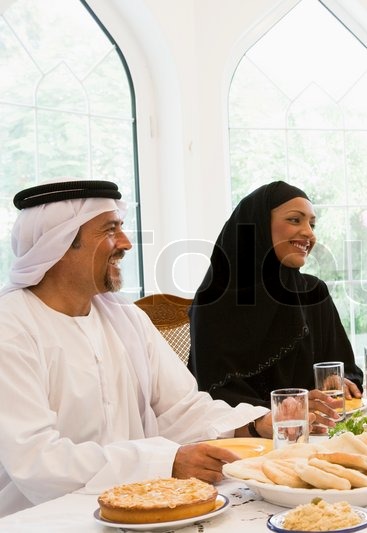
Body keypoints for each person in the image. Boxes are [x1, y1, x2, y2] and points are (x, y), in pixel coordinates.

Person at [0, 179, 279, 518]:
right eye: (110, 230)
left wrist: (257, 423)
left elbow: (180, 409)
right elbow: (37, 460)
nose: (126, 243)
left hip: (142, 507)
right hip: (41, 517)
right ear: (58, 244)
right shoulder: (10, 326)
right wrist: (164, 463)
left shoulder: (124, 316)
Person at [189, 181, 362, 431]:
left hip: (319, 432)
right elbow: (213, 393)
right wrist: (283, 411)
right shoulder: (214, 301)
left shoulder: (315, 292)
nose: (309, 233)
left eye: (312, 224)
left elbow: (346, 368)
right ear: (256, 225)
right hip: (247, 442)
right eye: (295, 220)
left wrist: (340, 381)